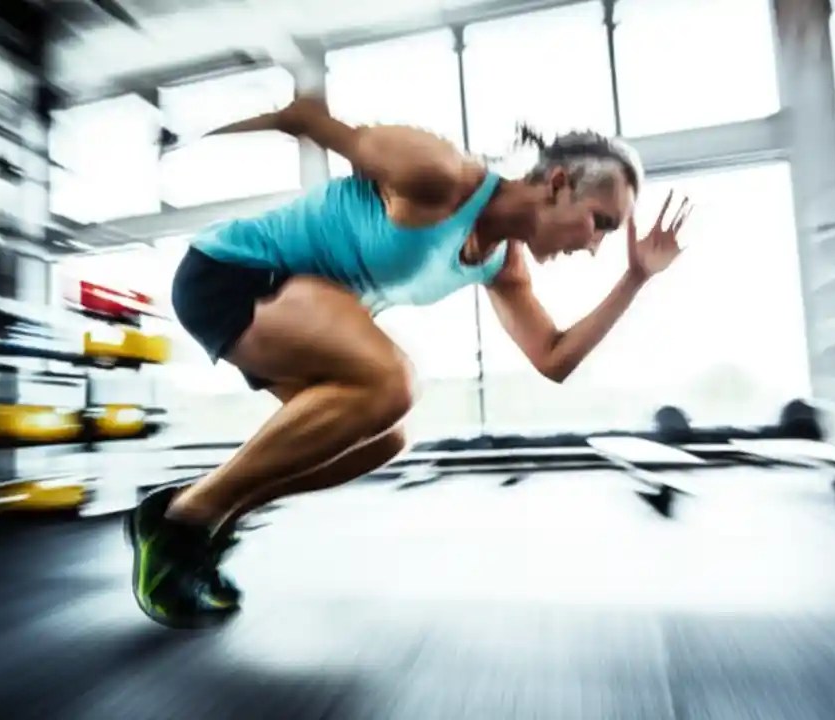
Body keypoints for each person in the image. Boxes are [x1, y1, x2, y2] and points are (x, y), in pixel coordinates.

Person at [127, 95, 692, 628]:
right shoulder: (441, 174)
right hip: (230, 273)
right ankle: (181, 527)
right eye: (601, 223)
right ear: (559, 184)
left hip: (297, 303)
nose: (594, 246)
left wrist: (635, 278)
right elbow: (310, 118)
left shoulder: (503, 264)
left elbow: (553, 358)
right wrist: (211, 131)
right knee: (394, 382)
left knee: (387, 439)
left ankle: (200, 513)